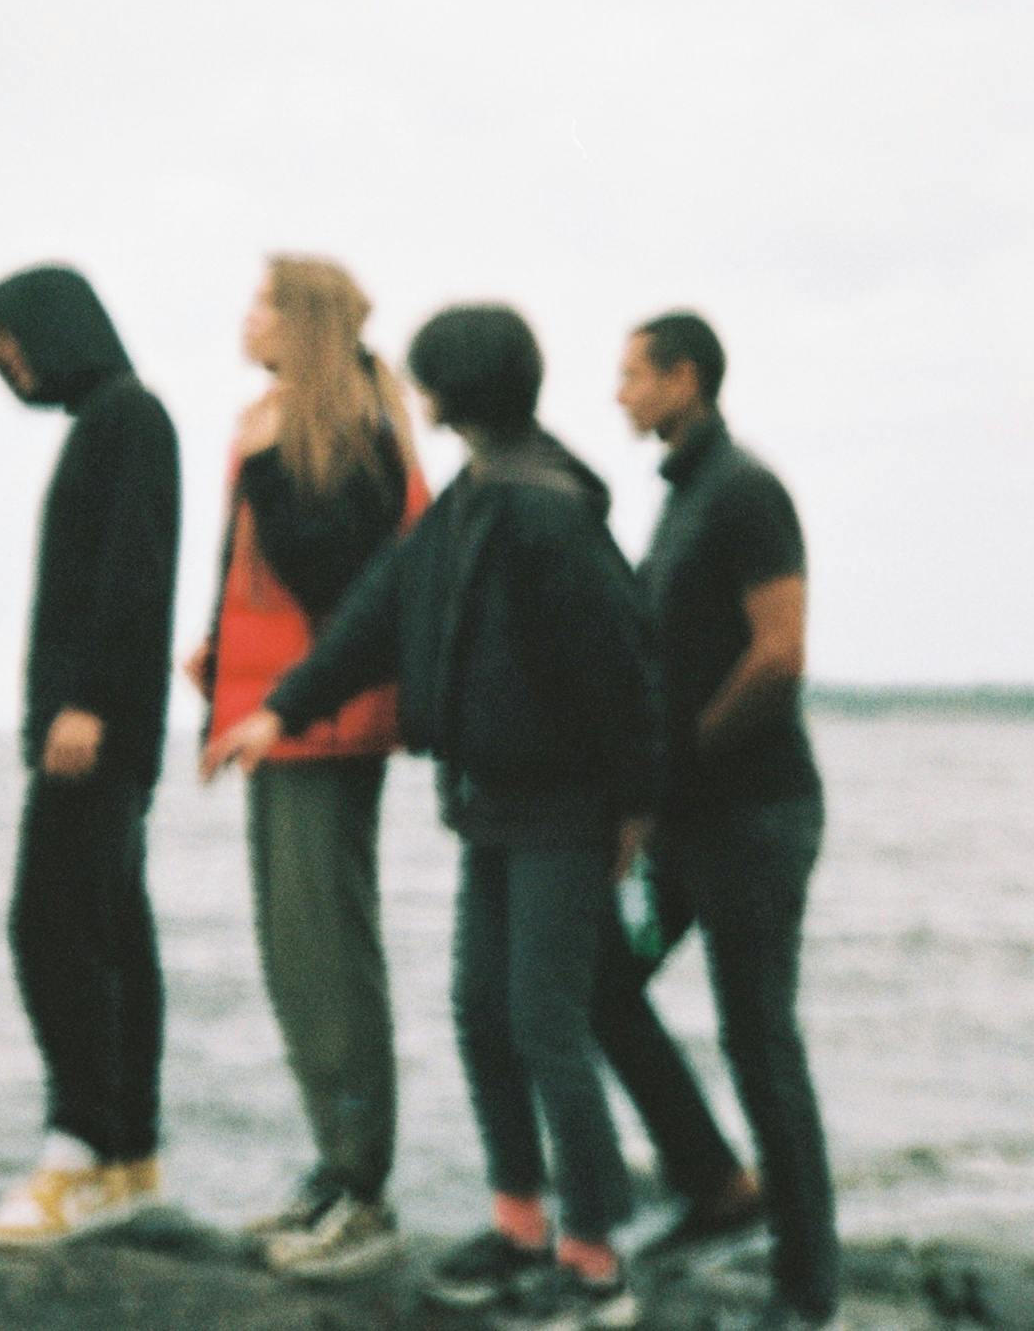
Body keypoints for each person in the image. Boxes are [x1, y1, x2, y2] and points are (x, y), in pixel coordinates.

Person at [206, 304, 660, 1331]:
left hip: (559, 811)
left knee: (545, 1025)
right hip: (488, 804)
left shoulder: (545, 507)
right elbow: (375, 610)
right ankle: (516, 1226)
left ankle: (594, 1267)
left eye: (424, 379)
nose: (412, 392)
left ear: (454, 391)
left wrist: (634, 807)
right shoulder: (468, 500)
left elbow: (624, 669)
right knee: (480, 1013)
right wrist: (278, 709)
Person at [186, 257, 428, 1279]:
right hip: (274, 720)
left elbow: (339, 581)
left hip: (319, 724)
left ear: (305, 326)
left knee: (325, 950)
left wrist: (266, 462)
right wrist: (214, 662)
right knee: (299, 954)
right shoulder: (296, 422)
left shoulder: (342, 434)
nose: (245, 320)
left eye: (261, 305)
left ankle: (362, 1191)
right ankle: (337, 1168)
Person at [596, 311, 839, 1328]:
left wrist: (680, 761)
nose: (619, 393)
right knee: (601, 985)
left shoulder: (743, 489)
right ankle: (714, 1186)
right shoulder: (685, 497)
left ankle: (807, 1285)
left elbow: (778, 654)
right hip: (685, 829)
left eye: (633, 375)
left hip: (754, 819)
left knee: (756, 1038)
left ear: (684, 379)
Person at [0, 263, 183, 1246]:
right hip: (106, 730)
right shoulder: (111, 420)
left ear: (60, 328)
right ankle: (129, 1158)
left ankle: (78, 1151)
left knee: (49, 928)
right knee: (112, 938)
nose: (4, 360)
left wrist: (87, 701)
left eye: (10, 338)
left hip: (95, 732)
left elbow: (132, 570)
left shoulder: (126, 417)